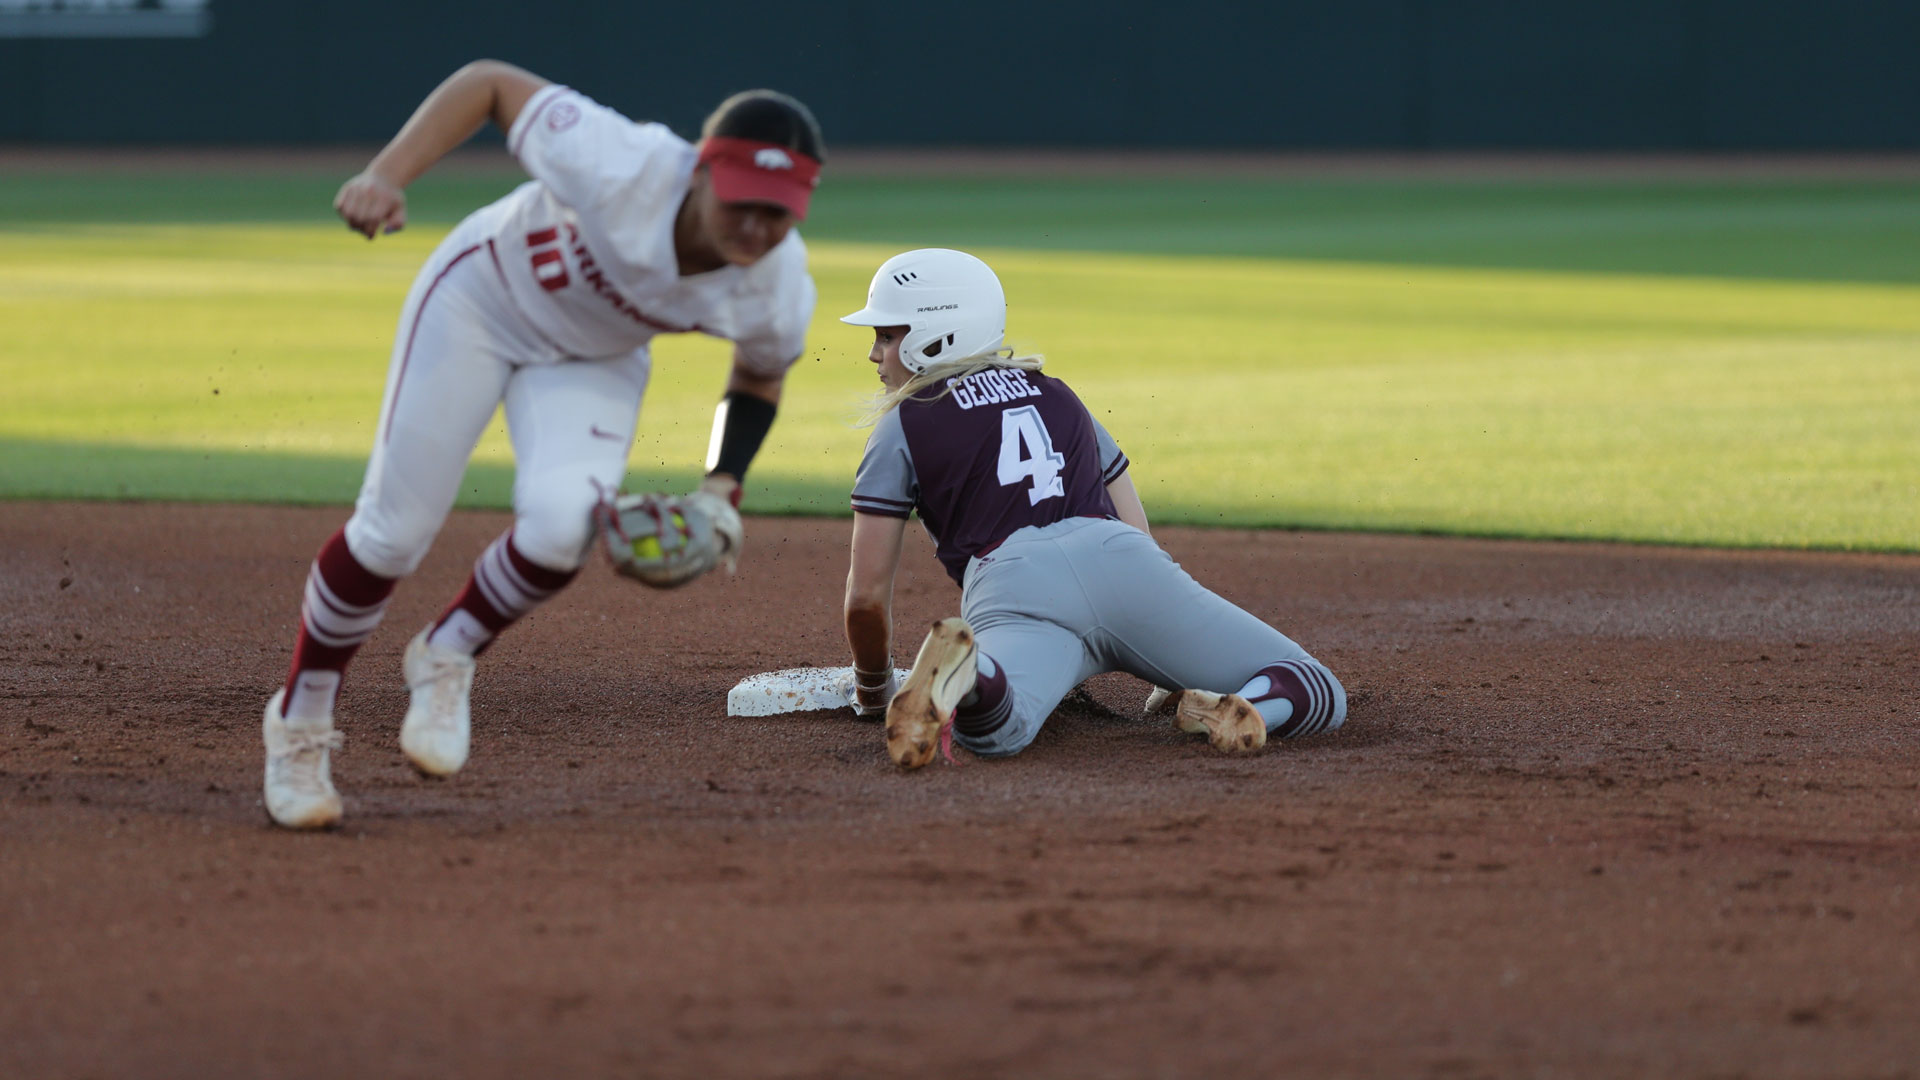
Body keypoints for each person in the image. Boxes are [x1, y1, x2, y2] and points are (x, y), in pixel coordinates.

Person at [262, 60, 824, 828]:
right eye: (743, 202)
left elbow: (758, 380)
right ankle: (300, 722)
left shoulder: (778, 287)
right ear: (702, 170)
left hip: (595, 356)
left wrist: (722, 486)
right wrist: (387, 175)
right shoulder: (623, 161)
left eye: (779, 212)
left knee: (563, 529)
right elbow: (488, 83)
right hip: (480, 299)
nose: (757, 227)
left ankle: (447, 652)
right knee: (392, 535)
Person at [837, 249, 1346, 769]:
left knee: (997, 731)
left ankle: (971, 677)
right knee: (1314, 687)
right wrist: (1164, 652)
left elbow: (866, 598)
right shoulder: (1059, 395)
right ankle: (1247, 706)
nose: (876, 355)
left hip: (1015, 584)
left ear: (935, 334)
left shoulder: (904, 425)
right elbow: (1137, 531)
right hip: (1123, 559)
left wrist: (873, 690)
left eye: (887, 336)